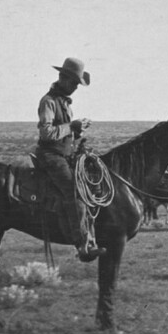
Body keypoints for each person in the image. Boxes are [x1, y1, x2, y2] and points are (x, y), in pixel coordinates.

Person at [35, 57, 106, 263]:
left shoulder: (64, 102)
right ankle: (82, 244)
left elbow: (64, 132)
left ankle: (91, 238)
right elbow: (46, 132)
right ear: (62, 78)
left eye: (77, 84)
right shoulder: (48, 101)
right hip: (50, 155)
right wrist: (71, 127)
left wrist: (77, 133)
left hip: (64, 154)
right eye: (74, 83)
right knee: (74, 191)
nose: (75, 88)